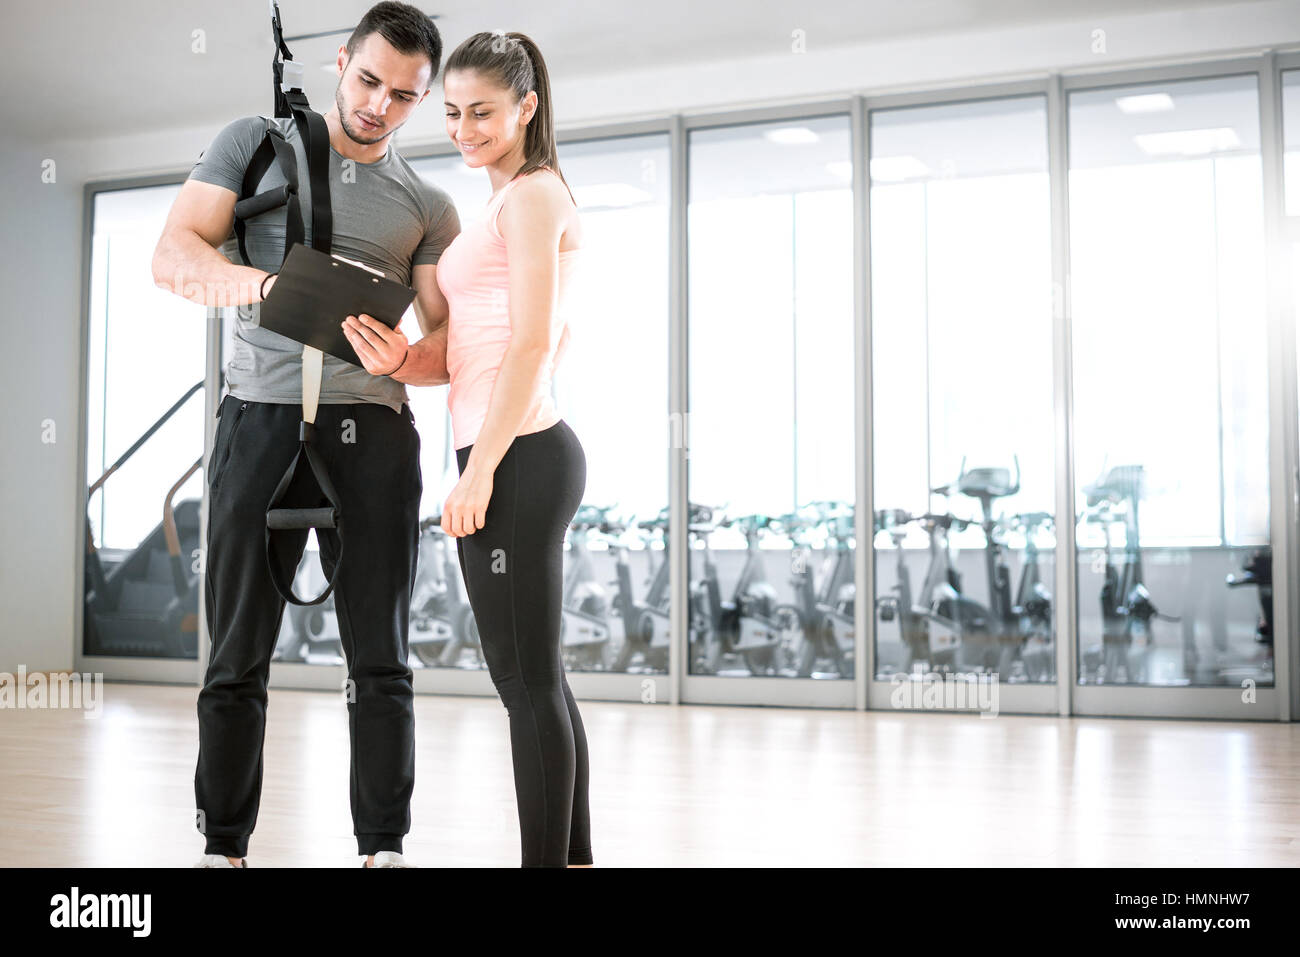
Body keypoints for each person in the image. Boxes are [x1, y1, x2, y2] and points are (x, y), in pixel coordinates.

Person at [152, 1, 458, 868]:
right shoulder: (253, 143)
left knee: (382, 656)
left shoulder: (429, 205)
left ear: (422, 99)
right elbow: (173, 256)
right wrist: (261, 289)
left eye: (404, 96)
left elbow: (447, 350)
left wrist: (405, 356)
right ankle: (223, 847)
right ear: (340, 64)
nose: (379, 106)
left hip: (375, 430)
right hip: (259, 420)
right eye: (368, 81)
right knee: (237, 651)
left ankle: (383, 848)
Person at [342, 30, 592, 868]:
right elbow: (462, 350)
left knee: (524, 685)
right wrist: (399, 359)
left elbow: (530, 347)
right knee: (539, 678)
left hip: (516, 452)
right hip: (505, 446)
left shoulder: (531, 196)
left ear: (526, 107)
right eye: (450, 112)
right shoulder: (497, 204)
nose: (464, 128)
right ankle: (577, 857)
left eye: (483, 111)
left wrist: (479, 471)